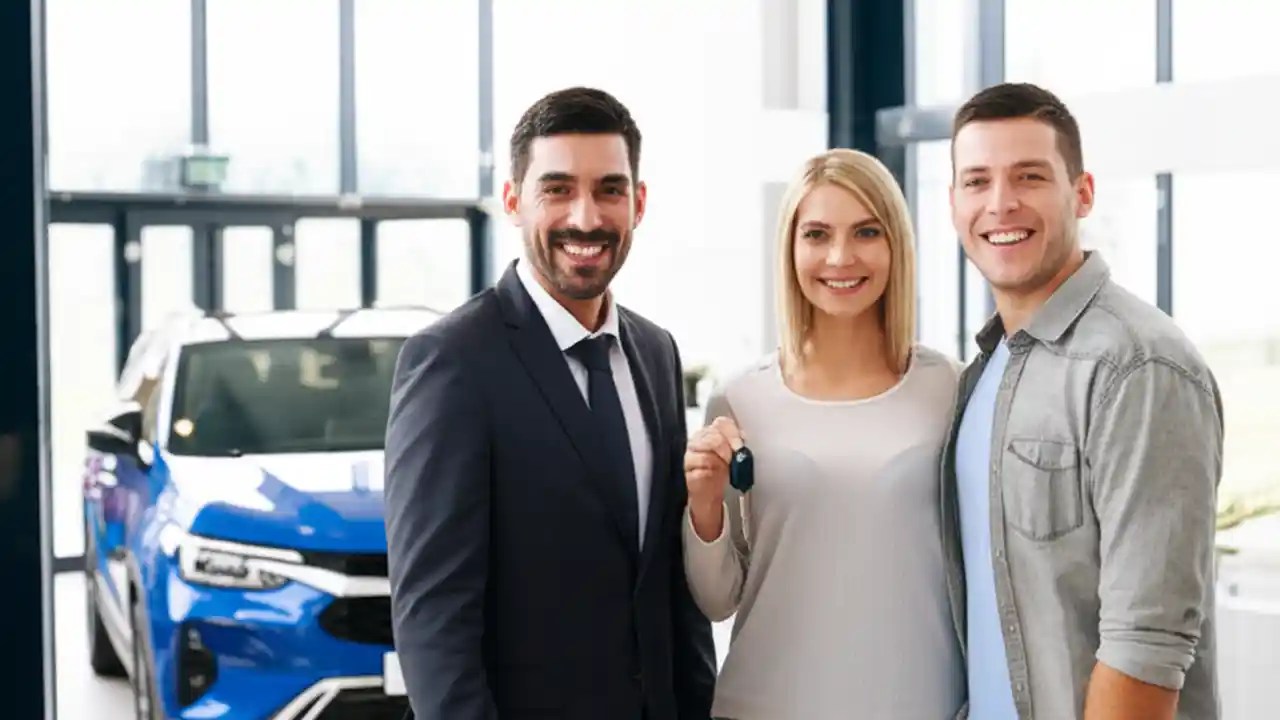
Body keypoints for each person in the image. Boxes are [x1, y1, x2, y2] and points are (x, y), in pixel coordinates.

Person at [383, 86, 717, 720]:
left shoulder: (655, 352)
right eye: (557, 189)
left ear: (638, 203)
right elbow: (433, 617)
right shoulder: (452, 362)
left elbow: (670, 589)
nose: (586, 218)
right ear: (514, 200)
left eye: (610, 190)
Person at [944, 81, 1223, 720]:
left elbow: (1144, 645)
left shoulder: (1139, 365)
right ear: (954, 203)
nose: (1001, 203)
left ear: (1083, 192)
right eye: (977, 181)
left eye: (1030, 177)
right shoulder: (986, 371)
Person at [681, 148, 966, 718]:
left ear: (897, 246)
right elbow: (717, 600)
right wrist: (704, 503)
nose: (840, 256)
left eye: (866, 231)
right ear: (790, 248)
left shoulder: (953, 390)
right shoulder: (740, 399)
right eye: (816, 234)